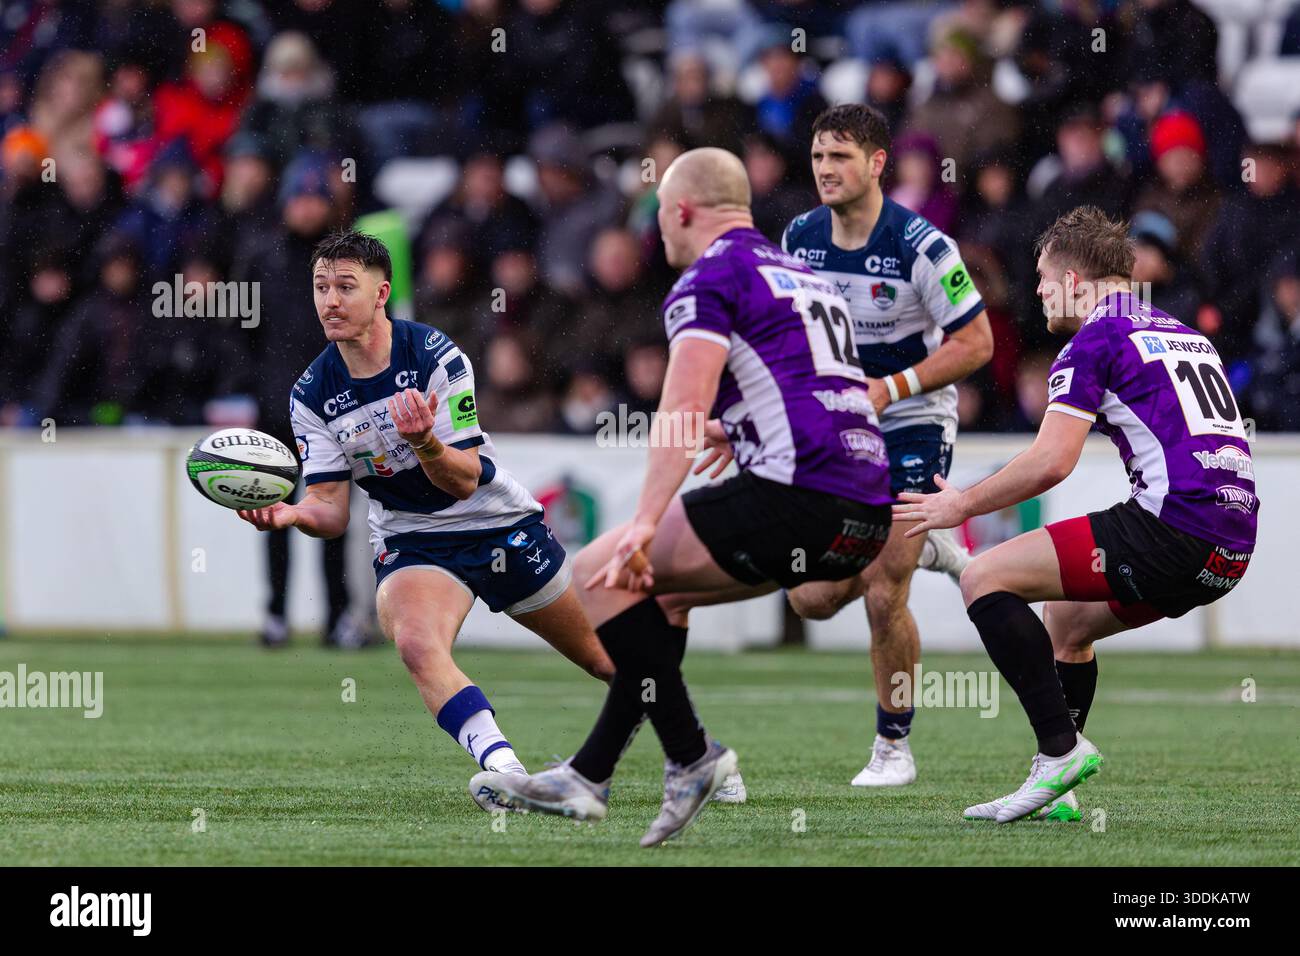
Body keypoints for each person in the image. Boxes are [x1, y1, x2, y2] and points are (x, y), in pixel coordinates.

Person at [474, 147, 895, 846]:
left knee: (599, 572)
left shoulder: (709, 278)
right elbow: (814, 385)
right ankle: (589, 774)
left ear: (680, 212)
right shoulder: (803, 275)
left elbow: (676, 413)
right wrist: (739, 425)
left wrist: (643, 521)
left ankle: (694, 757)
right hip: (863, 509)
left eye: (660, 219)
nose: (658, 234)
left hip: (802, 491)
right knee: (660, 598)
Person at [894, 206, 1258, 823]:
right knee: (1066, 623)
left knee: (984, 577)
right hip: (1230, 545)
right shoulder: (1178, 330)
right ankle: (1058, 787)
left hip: (1175, 527)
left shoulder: (1096, 339)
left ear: (1075, 282)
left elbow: (1051, 462)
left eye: (1043, 277)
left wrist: (960, 503)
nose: (1037, 290)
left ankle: (1060, 750)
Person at [235, 230, 616, 811]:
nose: (329, 302)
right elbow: (332, 510)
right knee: (416, 643)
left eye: (345, 287)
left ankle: (696, 749)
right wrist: (292, 513)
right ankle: (508, 774)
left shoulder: (434, 355)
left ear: (382, 292)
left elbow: (463, 478)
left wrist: (426, 445)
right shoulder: (311, 393)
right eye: (320, 288)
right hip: (412, 535)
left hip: (492, 520)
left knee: (601, 657)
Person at [780, 104, 994, 787]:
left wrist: (892, 385)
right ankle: (931, 543)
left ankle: (893, 746)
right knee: (809, 599)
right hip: (841, 426)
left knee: (881, 588)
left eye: (839, 157)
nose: (825, 170)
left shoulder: (923, 246)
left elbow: (977, 343)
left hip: (911, 420)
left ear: (877, 164)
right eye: (818, 157)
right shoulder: (800, 237)